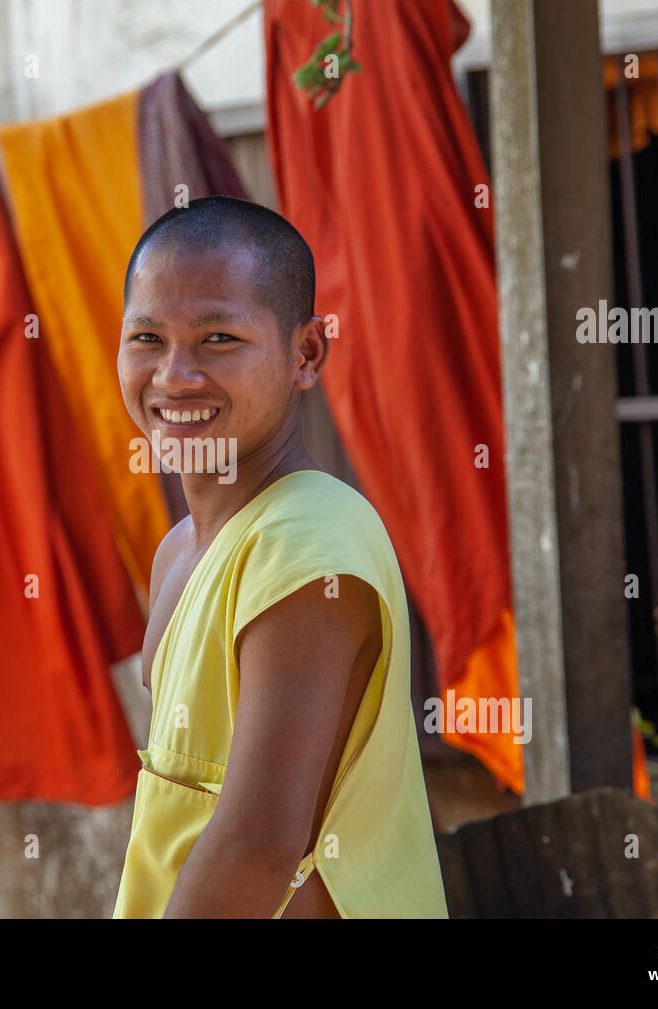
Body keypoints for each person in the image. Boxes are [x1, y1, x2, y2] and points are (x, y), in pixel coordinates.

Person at [112, 195, 447, 919]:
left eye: (218, 339)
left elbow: (257, 844)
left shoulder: (308, 546)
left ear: (306, 353)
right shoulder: (181, 550)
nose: (174, 376)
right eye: (146, 338)